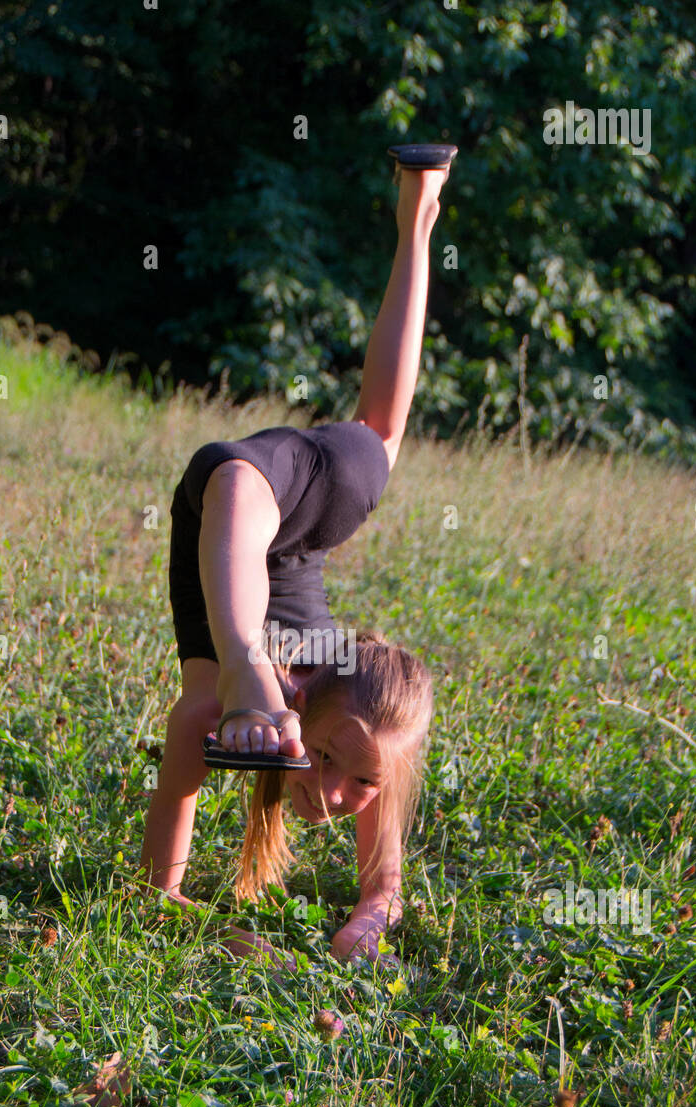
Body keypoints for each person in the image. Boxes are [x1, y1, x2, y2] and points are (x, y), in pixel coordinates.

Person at [139, 148, 456, 967]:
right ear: (304, 703)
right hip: (253, 498)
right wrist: (186, 912)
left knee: (383, 429)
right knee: (249, 490)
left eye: (361, 783)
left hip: (299, 523)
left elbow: (381, 888)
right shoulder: (217, 718)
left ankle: (418, 218)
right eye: (334, 762)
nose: (340, 794)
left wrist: (366, 924)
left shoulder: (372, 746)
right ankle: (246, 657)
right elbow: (155, 890)